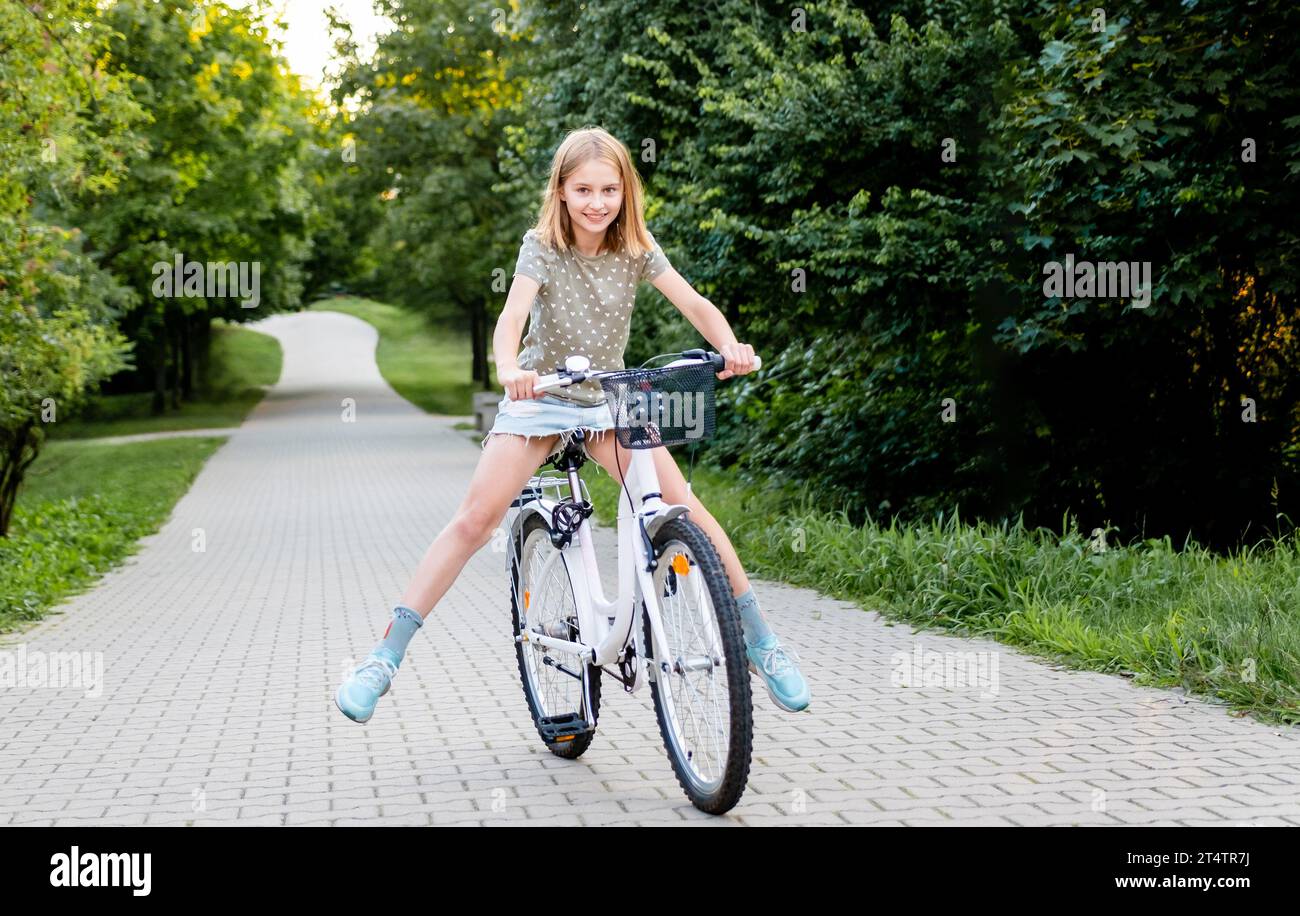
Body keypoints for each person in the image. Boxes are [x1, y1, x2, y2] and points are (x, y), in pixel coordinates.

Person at [336, 126, 810, 724]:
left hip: (609, 400)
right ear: (561, 190)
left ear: (625, 191)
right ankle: (383, 658)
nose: (597, 202)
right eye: (583, 189)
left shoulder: (635, 247)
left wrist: (729, 344)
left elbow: (692, 303)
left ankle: (759, 642)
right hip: (543, 396)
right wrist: (509, 368)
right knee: (475, 522)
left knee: (681, 505)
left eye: (609, 189)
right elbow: (512, 318)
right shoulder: (542, 246)